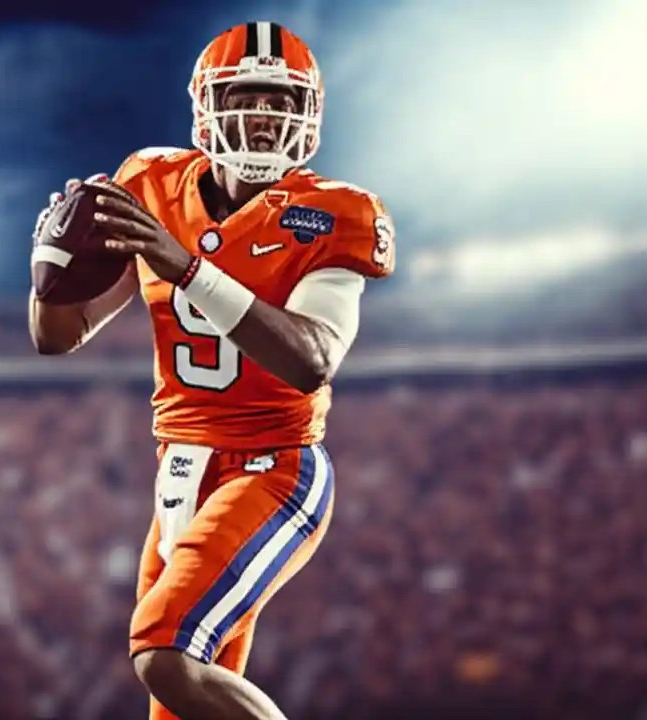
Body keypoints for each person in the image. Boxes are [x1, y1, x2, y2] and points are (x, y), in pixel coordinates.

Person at [29, 21, 396, 720]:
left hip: (275, 470)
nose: (263, 116)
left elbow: (311, 360)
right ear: (206, 106)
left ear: (307, 116)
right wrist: (50, 274)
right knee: (177, 704)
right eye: (247, 96)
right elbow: (59, 336)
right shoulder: (153, 184)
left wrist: (188, 269)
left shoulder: (331, 213)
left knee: (163, 652)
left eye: (280, 102)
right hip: (181, 471)